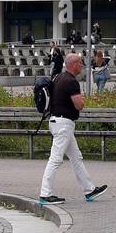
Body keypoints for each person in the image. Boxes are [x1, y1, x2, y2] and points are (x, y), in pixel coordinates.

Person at [39, 53, 107, 205]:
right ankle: (45, 194)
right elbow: (79, 105)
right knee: (55, 159)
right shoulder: (71, 81)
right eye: (81, 63)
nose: (82, 66)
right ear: (74, 64)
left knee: (76, 158)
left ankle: (89, 189)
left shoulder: (59, 77)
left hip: (58, 122)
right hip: (63, 124)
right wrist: (82, 99)